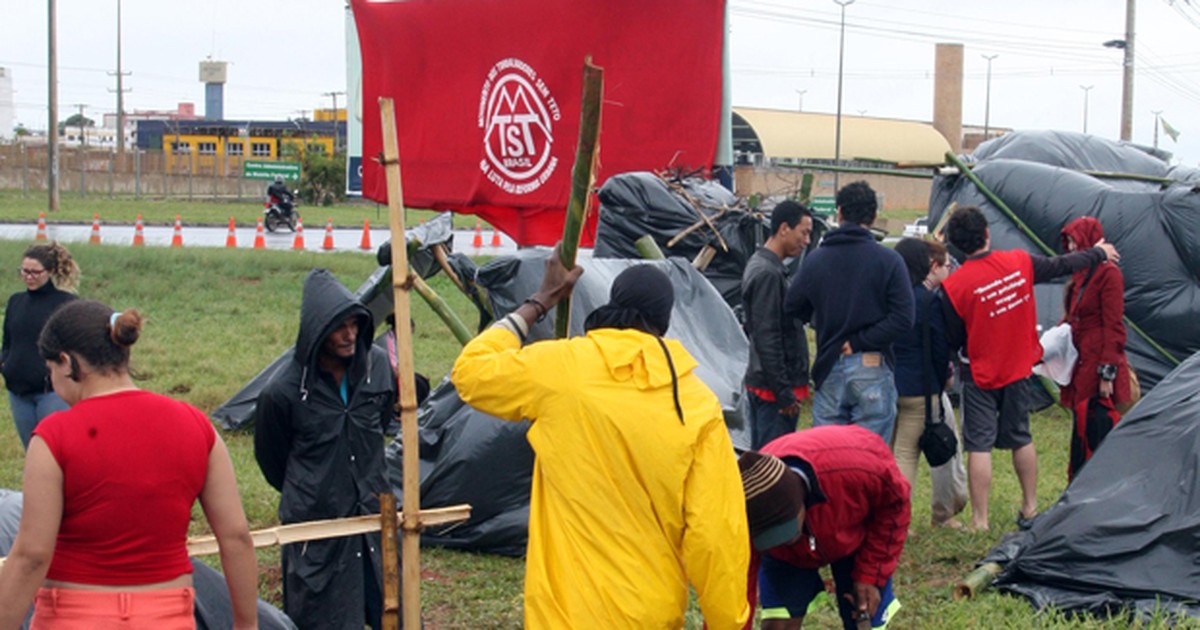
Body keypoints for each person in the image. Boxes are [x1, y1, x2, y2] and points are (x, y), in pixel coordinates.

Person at [451, 248, 750, 629]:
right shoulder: (696, 403)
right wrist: (726, 621)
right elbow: (716, 534)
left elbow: (472, 372)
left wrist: (540, 301)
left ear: (613, 303)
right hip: (649, 612)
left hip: (566, 615)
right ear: (667, 320)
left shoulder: (564, 370)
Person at [0, 300, 258, 629]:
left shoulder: (53, 436)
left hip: (74, 616)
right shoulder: (196, 425)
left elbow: (32, 554)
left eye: (50, 371)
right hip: (167, 616)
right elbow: (236, 537)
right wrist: (246, 624)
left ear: (67, 363)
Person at [941, 206, 1119, 530]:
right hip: (1019, 368)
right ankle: (1030, 506)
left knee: (979, 445)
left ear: (955, 245)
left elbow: (953, 336)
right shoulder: (1018, 262)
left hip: (979, 372)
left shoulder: (954, 286)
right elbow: (1061, 265)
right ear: (986, 234)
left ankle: (980, 520)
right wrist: (1097, 252)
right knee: (1021, 437)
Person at [255, 269, 396, 630]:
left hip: (373, 511)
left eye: (355, 325)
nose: (350, 335)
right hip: (316, 524)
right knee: (322, 617)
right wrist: (313, 486)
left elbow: (378, 423)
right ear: (317, 333)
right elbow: (273, 460)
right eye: (339, 327)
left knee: (392, 607)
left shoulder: (377, 368)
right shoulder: (283, 391)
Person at [739, 426, 910, 630]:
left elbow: (895, 506)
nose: (784, 540)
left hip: (853, 532)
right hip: (786, 557)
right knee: (778, 623)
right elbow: (739, 590)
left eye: (787, 530)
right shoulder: (748, 507)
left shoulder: (858, 470)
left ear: (803, 501)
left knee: (864, 616)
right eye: (773, 536)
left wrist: (870, 575)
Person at [784, 181, 914, 443]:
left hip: (830, 364)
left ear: (839, 213)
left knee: (827, 456)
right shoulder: (889, 261)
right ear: (874, 216)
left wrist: (822, 317)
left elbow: (792, 306)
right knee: (869, 458)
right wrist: (860, 341)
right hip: (873, 366)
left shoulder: (817, 260)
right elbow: (903, 318)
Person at [890, 238, 966, 528]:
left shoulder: (892, 296)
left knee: (891, 451)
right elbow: (938, 347)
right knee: (907, 455)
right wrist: (943, 378)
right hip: (920, 388)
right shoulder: (928, 300)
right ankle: (909, 520)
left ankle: (890, 519)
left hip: (890, 384)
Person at [1058, 216, 1132, 480]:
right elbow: (1073, 317)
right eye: (1067, 241)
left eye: (1074, 240)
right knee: (1082, 424)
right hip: (1083, 360)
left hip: (1098, 360)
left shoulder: (1108, 274)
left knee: (1095, 425)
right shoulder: (1082, 274)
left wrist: (1107, 371)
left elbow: (1114, 324)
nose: (1070, 246)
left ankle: (1096, 481)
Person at [742, 201, 814, 449]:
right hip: (772, 392)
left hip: (767, 383)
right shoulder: (768, 274)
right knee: (772, 464)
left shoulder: (764, 266)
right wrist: (784, 393)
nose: (806, 241)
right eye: (803, 232)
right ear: (784, 228)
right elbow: (767, 336)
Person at [2, 241, 79, 449]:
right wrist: (6, 366)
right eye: (24, 271)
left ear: (50, 271)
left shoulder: (66, 303)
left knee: (54, 449)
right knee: (32, 450)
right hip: (18, 392)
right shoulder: (15, 301)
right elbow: (8, 341)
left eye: (35, 272)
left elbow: (75, 345)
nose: (29, 276)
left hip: (51, 392)